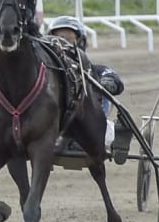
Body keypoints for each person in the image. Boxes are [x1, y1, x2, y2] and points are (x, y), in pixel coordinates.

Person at [46, 15, 123, 152]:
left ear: (81, 42)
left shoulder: (95, 70)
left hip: (91, 122)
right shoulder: (48, 74)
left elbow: (115, 80)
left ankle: (84, 138)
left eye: (67, 39)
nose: (61, 44)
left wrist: (109, 82)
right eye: (56, 39)